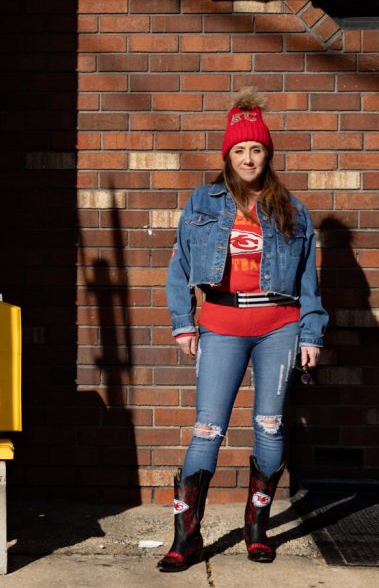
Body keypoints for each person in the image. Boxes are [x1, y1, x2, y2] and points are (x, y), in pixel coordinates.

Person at [158, 90, 327, 571]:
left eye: (256, 149)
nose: (249, 159)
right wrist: (183, 324)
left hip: (279, 326)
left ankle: (257, 530)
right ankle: (187, 538)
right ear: (227, 156)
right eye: (239, 150)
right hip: (221, 324)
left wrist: (311, 336)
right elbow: (179, 268)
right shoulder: (202, 201)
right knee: (208, 427)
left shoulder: (291, 209)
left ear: (267, 153)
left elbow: (307, 283)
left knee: (269, 425)